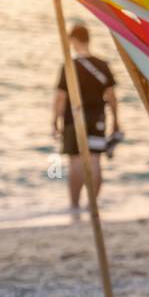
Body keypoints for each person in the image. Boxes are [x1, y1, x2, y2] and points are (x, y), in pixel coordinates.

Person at [52, 22, 121, 210]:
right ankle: (93, 204)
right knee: (95, 160)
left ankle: (74, 204)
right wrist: (116, 121)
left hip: (73, 119)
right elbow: (112, 97)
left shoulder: (69, 66)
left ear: (73, 40)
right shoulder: (102, 65)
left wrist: (54, 121)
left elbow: (60, 97)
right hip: (97, 118)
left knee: (75, 161)